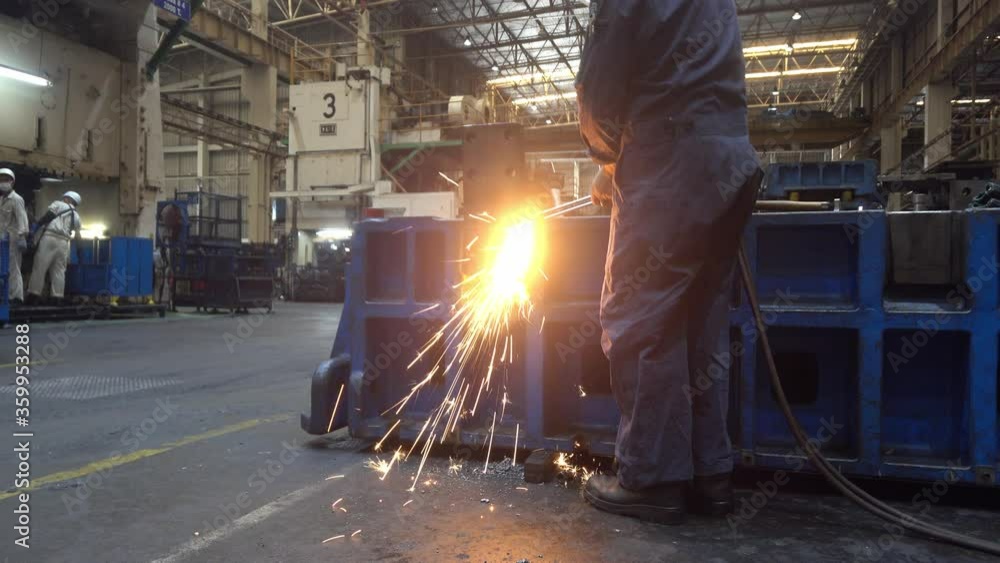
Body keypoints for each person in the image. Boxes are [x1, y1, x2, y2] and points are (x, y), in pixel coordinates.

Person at [576, 0, 762, 524]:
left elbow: (600, 86)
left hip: (669, 159)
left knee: (639, 320)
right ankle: (711, 477)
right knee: (698, 318)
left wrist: (608, 157)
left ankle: (652, 479)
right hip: (728, 157)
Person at [27, 191, 82, 305]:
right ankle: (57, 298)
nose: (63, 199)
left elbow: (49, 216)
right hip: (64, 243)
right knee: (59, 271)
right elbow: (78, 235)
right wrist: (79, 250)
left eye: (65, 198)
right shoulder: (76, 216)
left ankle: (34, 295)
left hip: (50, 238)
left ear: (69, 199)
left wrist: (36, 226)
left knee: (40, 267)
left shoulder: (58, 204)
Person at [0, 168, 29, 304]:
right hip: (2, 239)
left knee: (13, 267)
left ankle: (16, 297)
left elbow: (22, 218)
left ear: (13, 182)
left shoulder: (17, 199)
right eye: (1, 179)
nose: (3, 182)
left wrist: (22, 236)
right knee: (3, 268)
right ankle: (6, 295)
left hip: (13, 239)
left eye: (6, 180)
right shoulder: (1, 199)